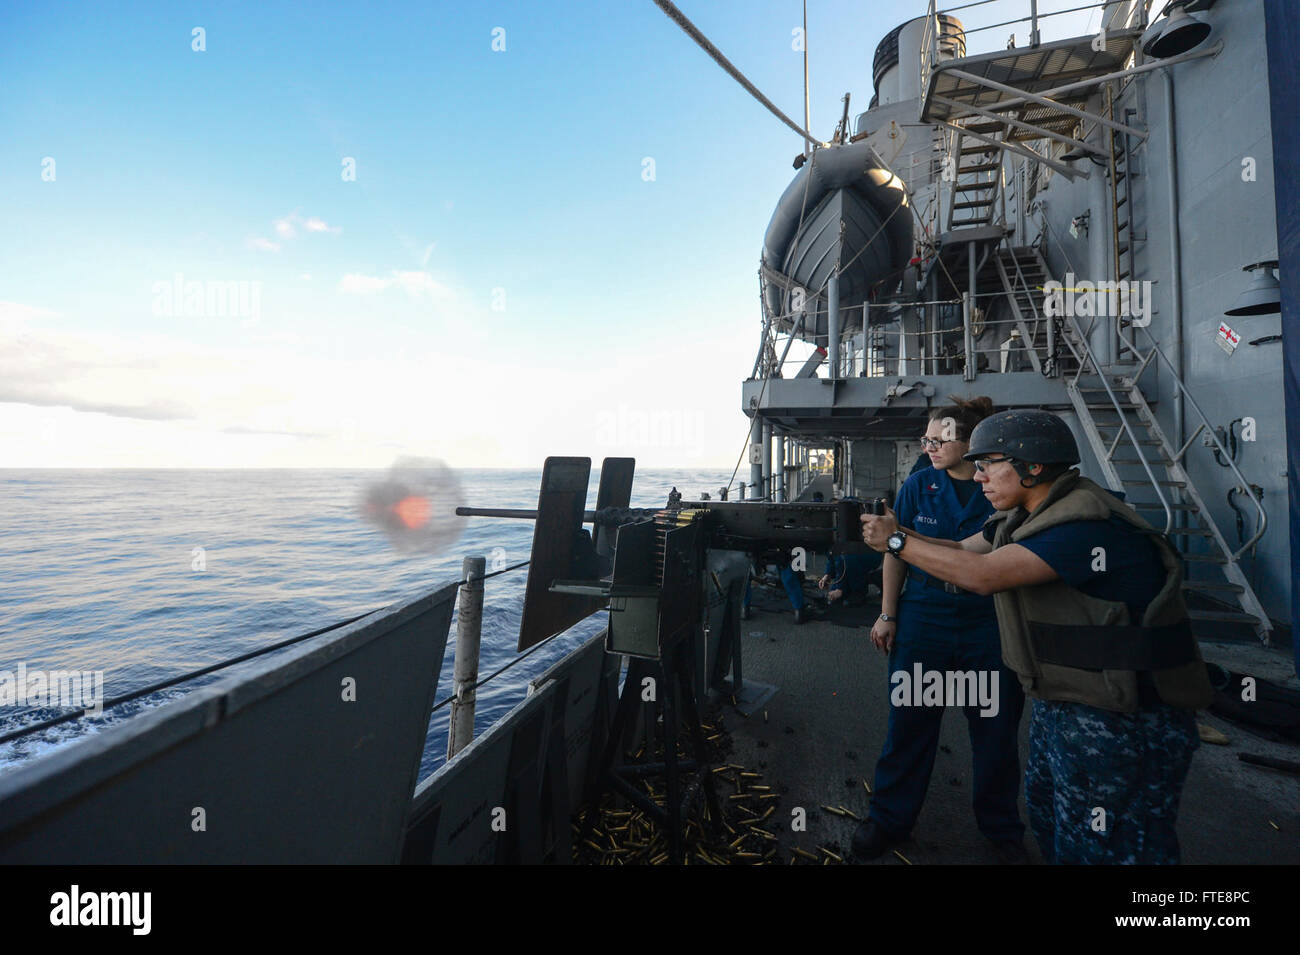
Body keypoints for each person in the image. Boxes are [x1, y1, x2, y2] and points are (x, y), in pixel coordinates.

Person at [860, 409, 1213, 864]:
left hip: (1123, 720)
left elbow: (983, 574)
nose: (980, 476)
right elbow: (962, 549)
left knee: (1110, 845)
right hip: (1075, 705)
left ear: (1033, 467)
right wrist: (892, 534)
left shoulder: (1080, 526)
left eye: (989, 464)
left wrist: (895, 543)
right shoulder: (1030, 515)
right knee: (1059, 826)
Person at [853, 396, 1027, 863]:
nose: (929, 447)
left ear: (972, 445)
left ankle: (1001, 828)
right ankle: (889, 819)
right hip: (925, 616)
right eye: (925, 439)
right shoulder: (917, 486)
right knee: (909, 725)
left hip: (986, 621)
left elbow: (951, 548)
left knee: (995, 732)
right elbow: (898, 554)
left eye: (939, 439)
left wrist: (896, 538)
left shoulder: (999, 490)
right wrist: (889, 614)